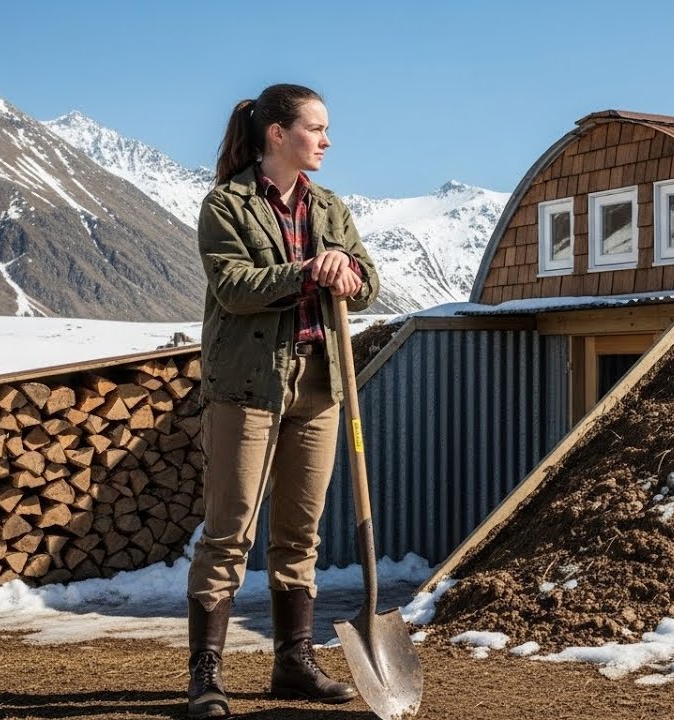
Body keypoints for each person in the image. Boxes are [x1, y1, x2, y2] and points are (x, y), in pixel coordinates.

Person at [186, 83, 379, 719]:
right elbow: (234, 287)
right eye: (315, 129)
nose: (326, 141)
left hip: (320, 386)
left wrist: (348, 272)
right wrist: (307, 272)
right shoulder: (227, 204)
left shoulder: (328, 206)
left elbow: (367, 280)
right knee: (229, 532)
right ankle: (206, 674)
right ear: (277, 135)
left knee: (300, 534)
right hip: (247, 387)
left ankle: (292, 662)